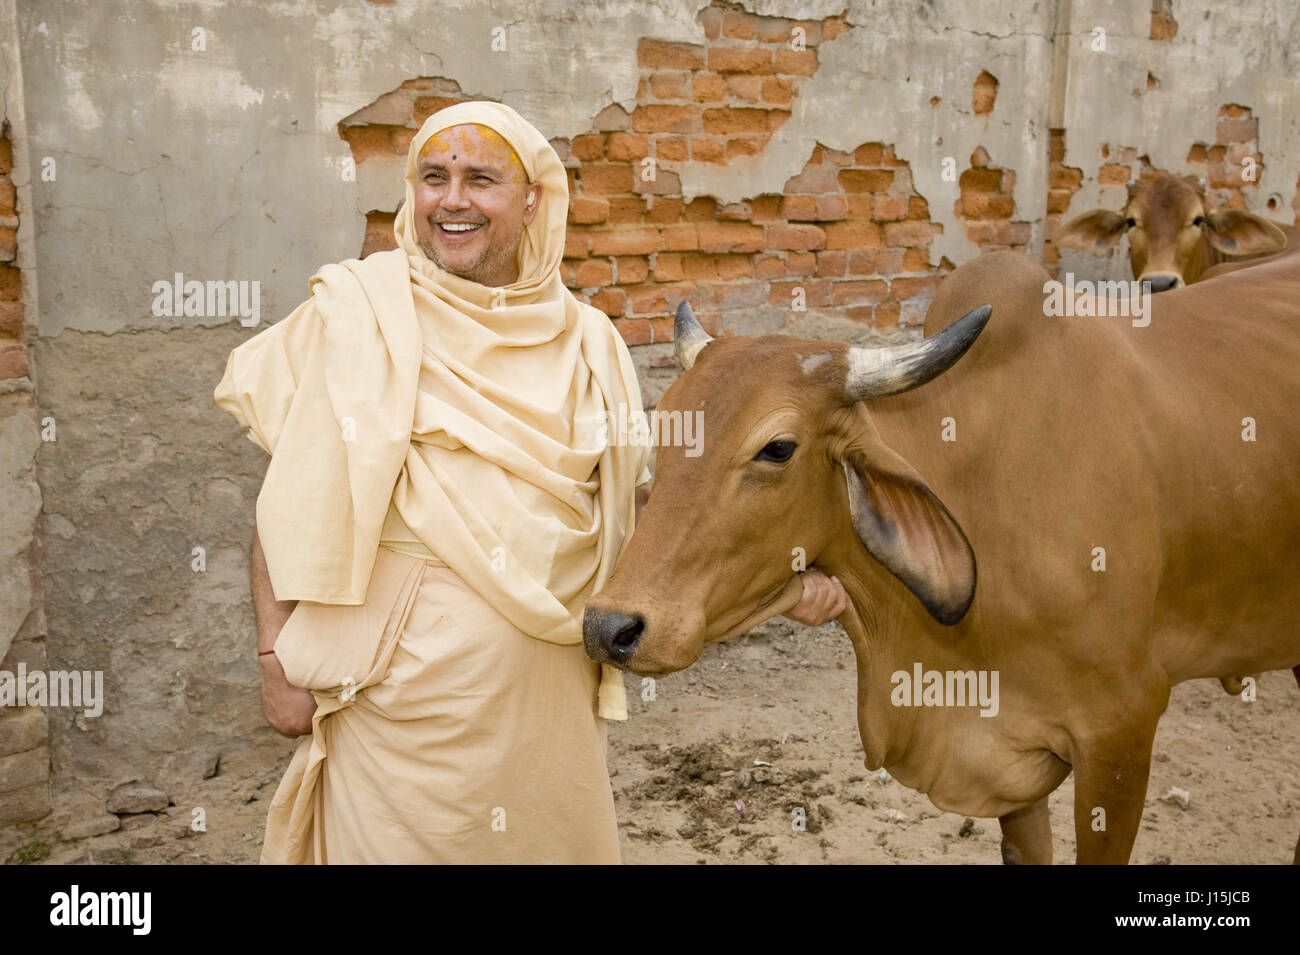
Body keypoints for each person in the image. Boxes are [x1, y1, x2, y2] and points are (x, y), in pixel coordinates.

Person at [214, 100, 847, 864]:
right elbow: (287, 498)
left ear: (531, 201)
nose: (452, 200)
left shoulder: (589, 344)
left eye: (481, 179)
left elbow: (648, 514)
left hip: (545, 702)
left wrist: (784, 585)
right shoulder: (357, 313)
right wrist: (274, 655)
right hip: (391, 707)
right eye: (433, 177)